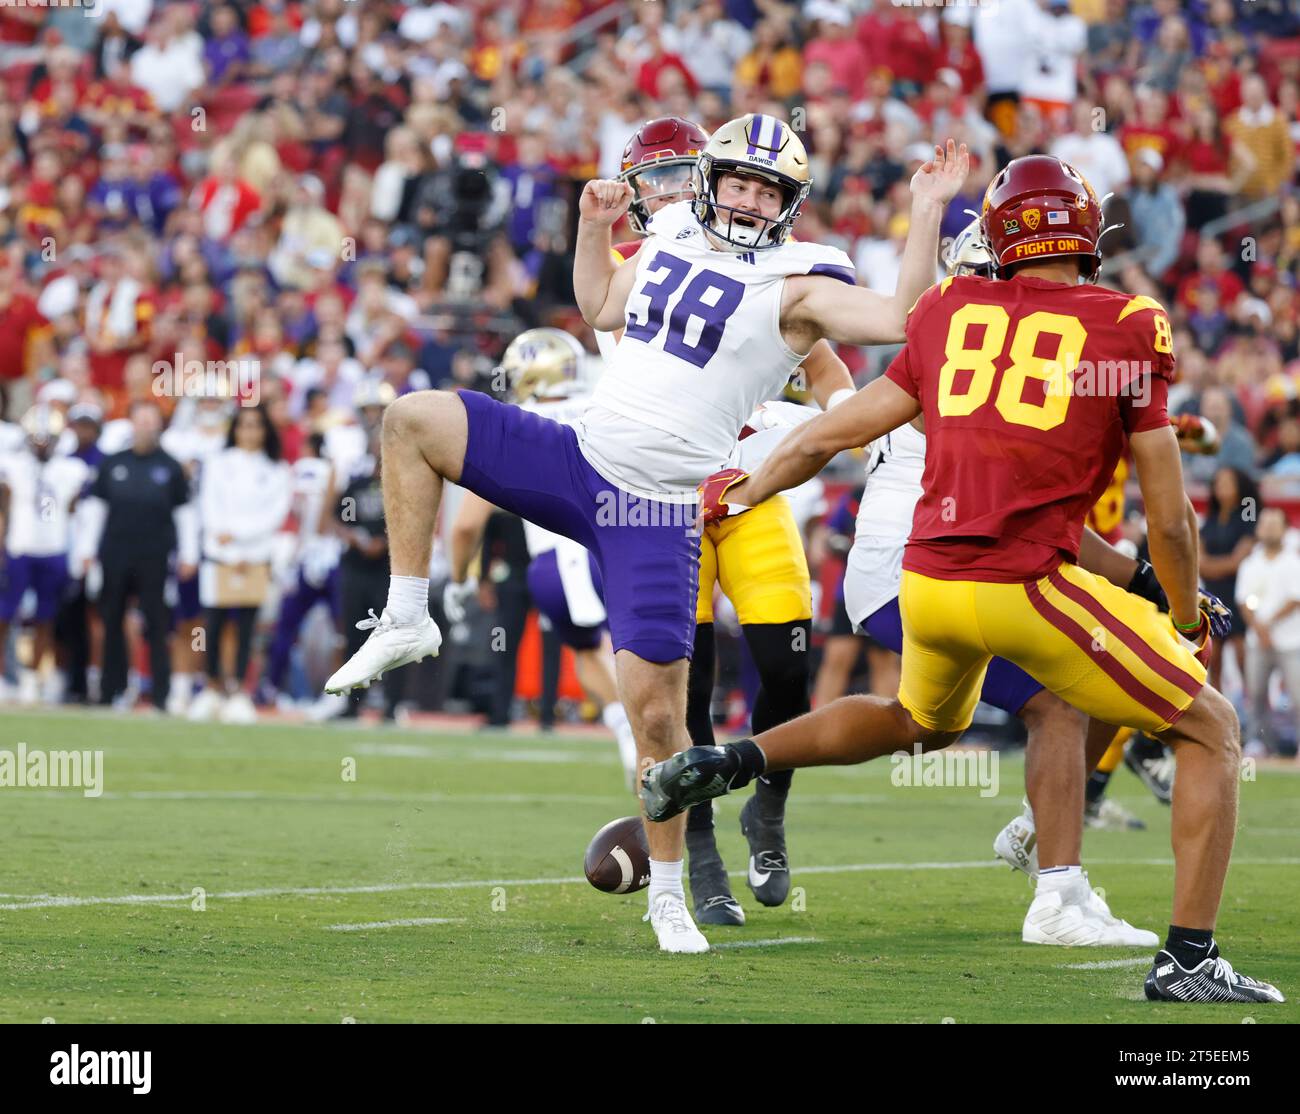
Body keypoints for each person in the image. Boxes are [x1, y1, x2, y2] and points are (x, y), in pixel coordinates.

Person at [644, 154, 1282, 1003]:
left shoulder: (948, 309)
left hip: (929, 583)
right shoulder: (1128, 321)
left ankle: (738, 757)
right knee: (1212, 728)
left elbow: (834, 432)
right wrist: (1185, 614)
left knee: (918, 720)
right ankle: (1190, 961)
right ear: (1083, 232)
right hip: (1026, 585)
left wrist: (745, 488)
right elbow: (1171, 519)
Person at [323, 115, 969, 953]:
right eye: (737, 181)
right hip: (576, 457)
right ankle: (408, 612)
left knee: (659, 718)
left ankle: (668, 893)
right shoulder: (665, 230)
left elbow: (894, 315)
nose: (748, 200)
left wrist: (924, 215)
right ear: (710, 180)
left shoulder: (800, 280)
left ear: (789, 203)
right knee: (411, 419)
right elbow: (597, 302)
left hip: (659, 509)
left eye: (767, 189)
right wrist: (593, 228)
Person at [604, 116, 858, 926]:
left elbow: (821, 358)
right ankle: (703, 853)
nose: (677, 191)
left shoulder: (770, 267)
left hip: (747, 489)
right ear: (633, 190)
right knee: (692, 685)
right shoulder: (622, 272)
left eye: (688, 174)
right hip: (667, 501)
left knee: (786, 662)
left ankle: (770, 802)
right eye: (660, 178)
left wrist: (851, 419)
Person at [445, 328, 638, 782]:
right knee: (643, 653)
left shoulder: (513, 426)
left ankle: (629, 731)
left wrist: (459, 580)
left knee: (588, 652)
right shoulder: (607, 408)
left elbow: (467, 524)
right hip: (630, 549)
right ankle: (649, 734)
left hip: (561, 561)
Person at [189, 404, 292, 723]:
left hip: (255, 555)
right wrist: (225, 538)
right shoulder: (218, 464)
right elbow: (209, 505)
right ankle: (211, 688)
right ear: (234, 429)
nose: (249, 432)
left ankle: (239, 693)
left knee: (248, 626)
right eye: (243, 425)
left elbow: (275, 513)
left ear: (265, 431)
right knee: (214, 623)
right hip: (220, 554)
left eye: (256, 426)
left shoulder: (276, 470)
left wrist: (240, 538)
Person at [87, 399, 191, 712]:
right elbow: (95, 510)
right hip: (116, 552)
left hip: (155, 555)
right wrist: (87, 551)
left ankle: (161, 694)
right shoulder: (112, 462)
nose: (145, 425)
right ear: (130, 423)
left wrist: (188, 553)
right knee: (111, 619)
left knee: (157, 623)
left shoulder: (171, 466)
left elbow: (185, 512)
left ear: (159, 425)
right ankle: (110, 691)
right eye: (140, 419)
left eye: (151, 419)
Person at [0, 407, 89, 704]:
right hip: (19, 547)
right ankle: (3, 677)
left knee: (46, 618)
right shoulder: (13, 465)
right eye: (36, 438)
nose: (41, 444)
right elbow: (5, 507)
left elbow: (77, 512)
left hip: (53, 549)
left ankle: (31, 679)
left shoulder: (71, 469)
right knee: (4, 615)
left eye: (47, 438)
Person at [1235, 507, 1300, 756]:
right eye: (1265, 523)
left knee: (1297, 695)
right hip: (1257, 640)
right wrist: (1258, 627)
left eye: (1275, 523)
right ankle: (1260, 743)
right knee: (1256, 693)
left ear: (1285, 529)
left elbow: (1295, 598)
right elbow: (1242, 600)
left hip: (1291, 641)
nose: (1269, 528)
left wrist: (1268, 624)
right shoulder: (1251, 563)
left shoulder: (1293, 562)